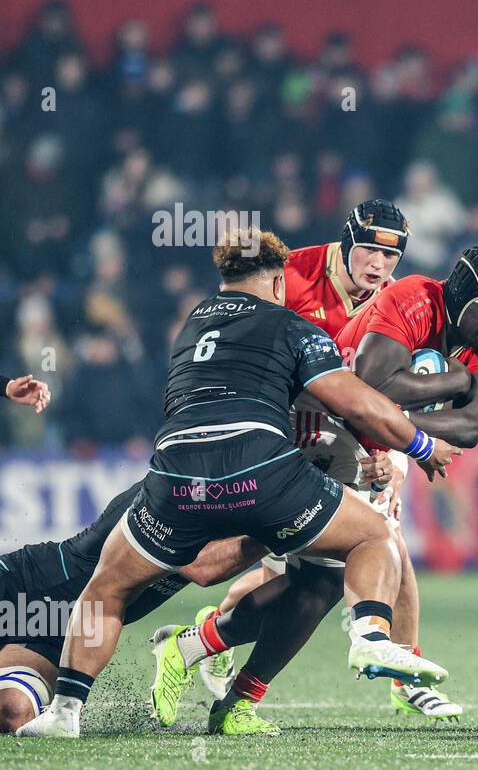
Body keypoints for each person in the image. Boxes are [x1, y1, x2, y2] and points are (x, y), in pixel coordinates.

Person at [16, 229, 449, 739]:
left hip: (176, 472)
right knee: (373, 534)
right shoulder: (291, 325)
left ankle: (65, 713)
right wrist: (419, 446)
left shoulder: (191, 325)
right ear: (273, 281)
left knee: (105, 589)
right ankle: (368, 633)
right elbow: (352, 400)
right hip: (261, 469)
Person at [0, 481, 265, 732]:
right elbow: (201, 568)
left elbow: (257, 586)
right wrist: (283, 531)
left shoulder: (253, 501)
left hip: (57, 632)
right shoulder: (184, 484)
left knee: (14, 711)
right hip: (17, 586)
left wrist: (219, 629)